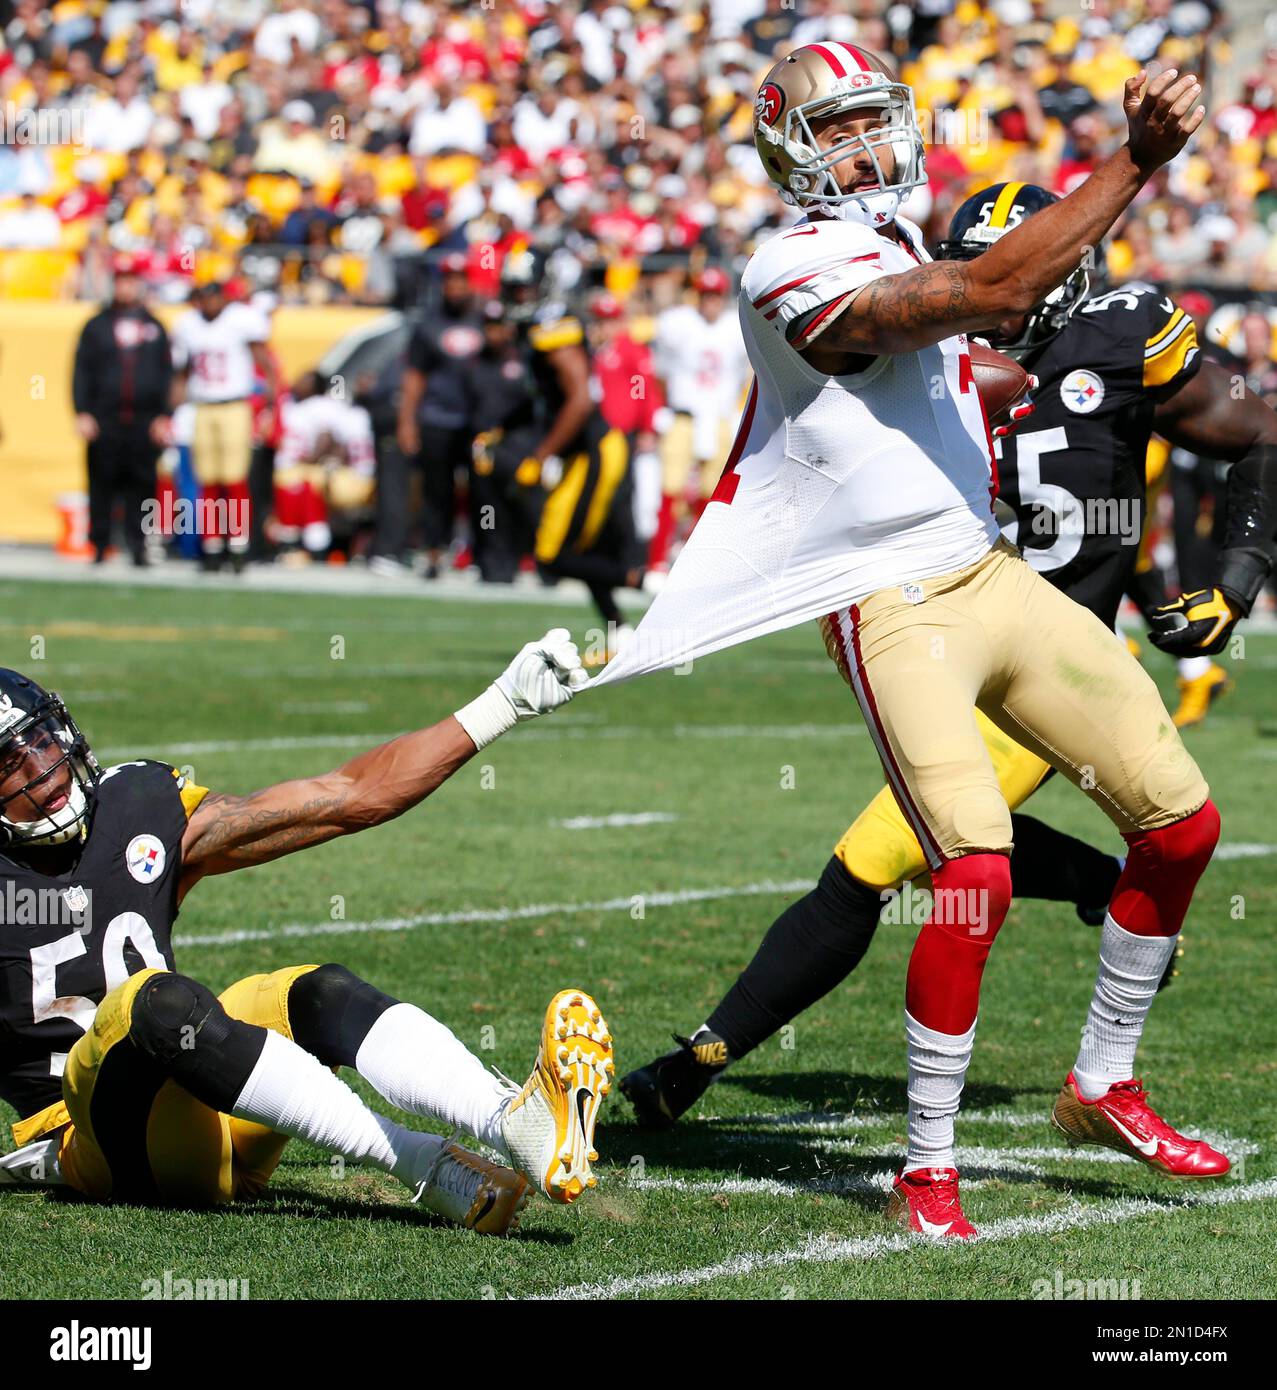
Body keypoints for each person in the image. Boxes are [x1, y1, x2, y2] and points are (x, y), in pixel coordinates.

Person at [619, 43, 1219, 1240]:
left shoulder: (890, 241)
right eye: (833, 131)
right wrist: (1136, 163)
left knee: (1180, 821)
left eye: (871, 123)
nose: (864, 148)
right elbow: (987, 294)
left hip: (988, 570)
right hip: (886, 598)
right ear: (789, 151)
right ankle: (926, 1162)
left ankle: (1102, 1080)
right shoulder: (788, 262)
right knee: (971, 874)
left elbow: (971, 349)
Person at [0, 634, 613, 1234]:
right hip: (103, 1144)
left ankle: (513, 1123)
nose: (42, 767)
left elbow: (346, 796)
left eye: (42, 739)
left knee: (316, 993)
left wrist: (503, 702)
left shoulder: (134, 807)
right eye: (10, 760)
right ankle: (428, 1166)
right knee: (153, 1001)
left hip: (215, 1114)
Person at [71, 252, 173, 566]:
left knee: (142, 484)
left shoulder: (154, 326)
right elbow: (81, 371)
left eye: (131, 281)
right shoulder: (96, 326)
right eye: (121, 281)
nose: (125, 288)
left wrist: (164, 414)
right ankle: (100, 543)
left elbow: (167, 373)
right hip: (106, 418)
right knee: (101, 482)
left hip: (143, 419)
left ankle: (138, 544)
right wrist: (82, 411)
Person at [170, 281, 280, 572]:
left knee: (234, 480)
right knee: (208, 481)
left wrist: (270, 404)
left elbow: (265, 362)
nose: (208, 304)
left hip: (234, 405)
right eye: (203, 298)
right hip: (202, 405)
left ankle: (239, 544)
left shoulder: (240, 321)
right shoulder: (188, 325)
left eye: (213, 298)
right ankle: (212, 544)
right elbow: (182, 371)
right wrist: (170, 409)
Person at [649, 267, 751, 566]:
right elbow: (660, 372)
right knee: (670, 488)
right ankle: (656, 559)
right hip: (685, 416)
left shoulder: (736, 325)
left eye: (715, 295)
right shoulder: (678, 323)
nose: (710, 302)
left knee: (713, 492)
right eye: (706, 295)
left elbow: (750, 372)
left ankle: (699, 563)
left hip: (719, 417)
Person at [395, 253, 483, 578]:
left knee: (481, 491)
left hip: (477, 422)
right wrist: (407, 420)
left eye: (461, 279)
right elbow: (414, 376)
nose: (456, 286)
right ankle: (434, 552)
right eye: (450, 280)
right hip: (438, 418)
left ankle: (480, 554)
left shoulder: (484, 319)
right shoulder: (429, 324)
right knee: (437, 491)